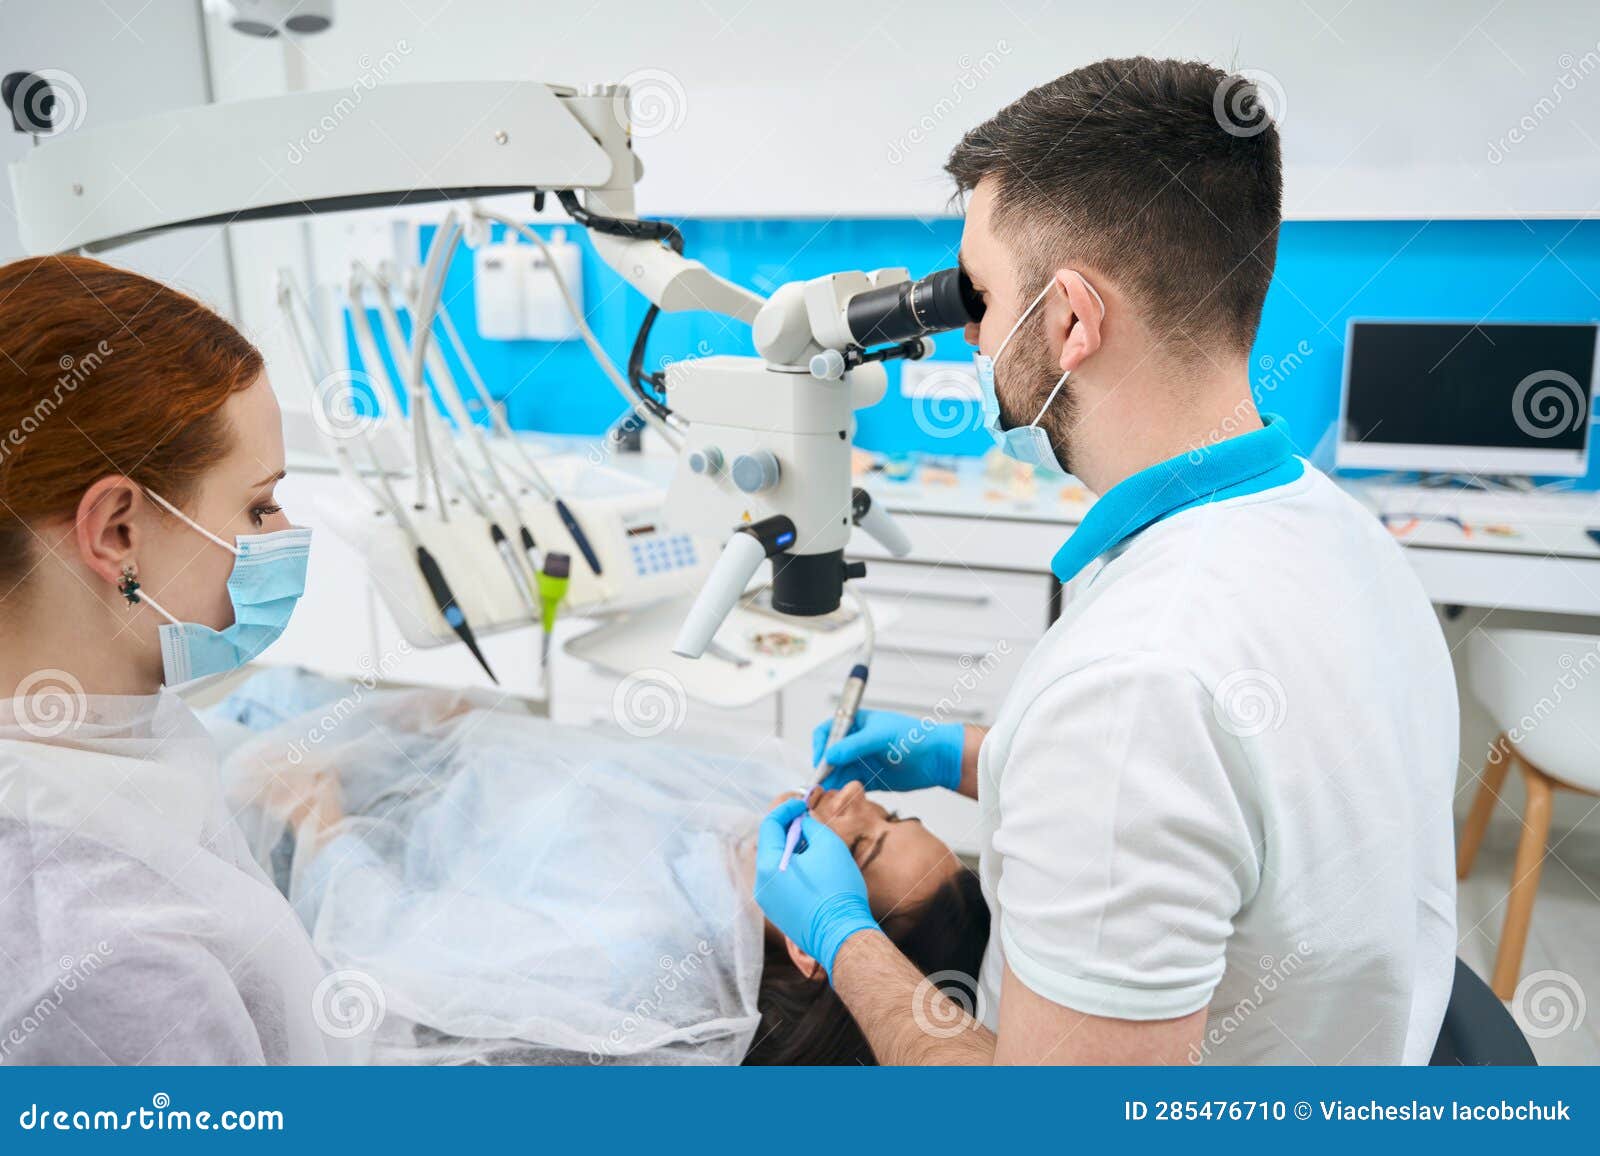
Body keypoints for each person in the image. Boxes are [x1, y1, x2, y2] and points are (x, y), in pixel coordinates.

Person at [754, 57, 1459, 1064]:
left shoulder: (1135, 686)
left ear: (1072, 319)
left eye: (981, 296)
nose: (967, 334)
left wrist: (844, 934)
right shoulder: (1330, 528)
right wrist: (968, 756)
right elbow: (1242, 808)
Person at [210, 670, 988, 1065]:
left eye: (861, 848)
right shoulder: (739, 817)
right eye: (892, 813)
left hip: (318, 851)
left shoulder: (644, 962)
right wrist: (473, 726)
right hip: (391, 782)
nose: (854, 795)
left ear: (811, 945)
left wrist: (322, 825)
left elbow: (392, 946)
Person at [0, 255, 338, 1063]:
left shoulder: (87, 733)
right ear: (117, 531)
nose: (281, 533)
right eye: (257, 505)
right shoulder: (110, 965)